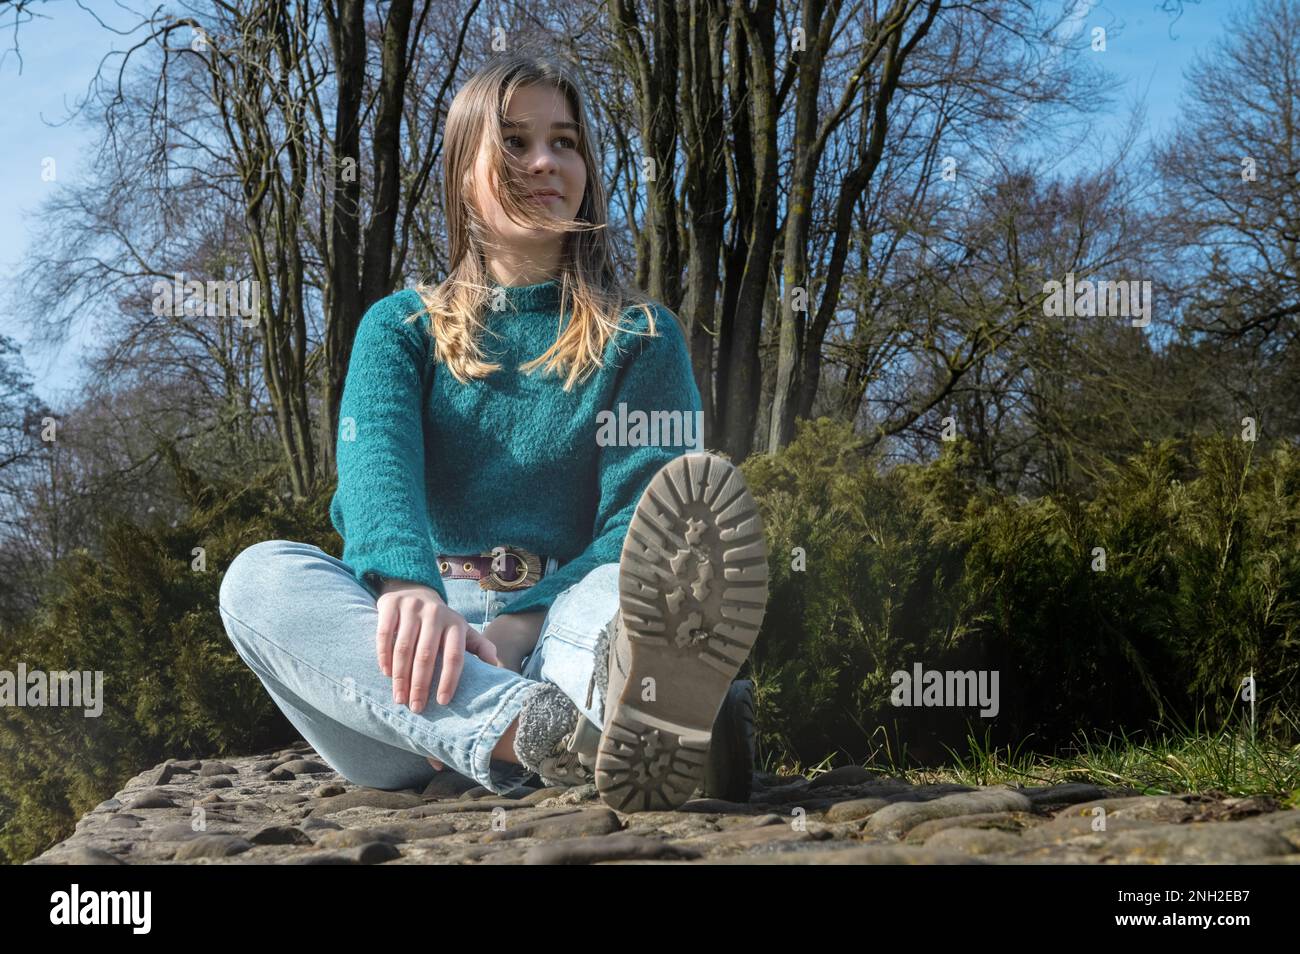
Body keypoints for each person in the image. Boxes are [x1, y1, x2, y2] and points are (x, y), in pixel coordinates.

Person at [217, 54, 769, 812]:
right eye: (514, 141)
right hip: (415, 673)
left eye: (565, 142)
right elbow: (376, 468)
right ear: (461, 169)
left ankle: (636, 704)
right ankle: (554, 735)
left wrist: (515, 630)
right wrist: (407, 586)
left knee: (628, 591)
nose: (545, 160)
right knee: (258, 579)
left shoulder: (640, 335)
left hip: (558, 624)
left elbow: (637, 521)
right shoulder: (400, 327)